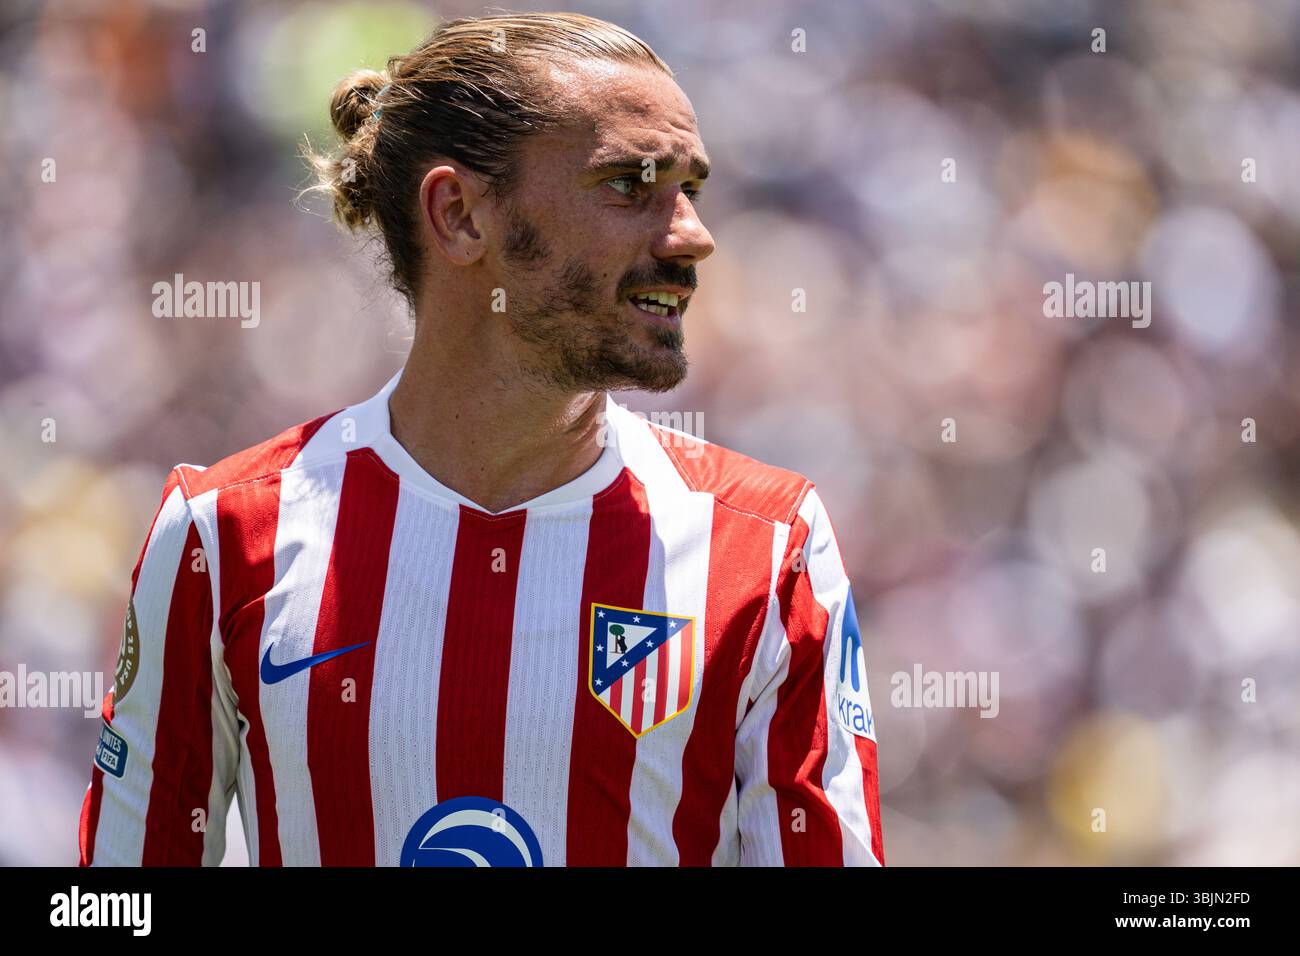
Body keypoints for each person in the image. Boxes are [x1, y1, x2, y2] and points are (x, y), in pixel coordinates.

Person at [78, 11, 882, 867]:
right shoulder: (222, 535)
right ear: (459, 215)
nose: (691, 235)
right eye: (629, 185)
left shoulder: (766, 545)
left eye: (690, 189)